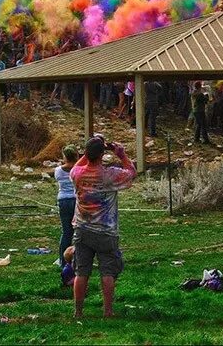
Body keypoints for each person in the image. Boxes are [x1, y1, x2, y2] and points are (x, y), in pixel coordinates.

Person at [71, 135, 137, 318]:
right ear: (102, 155)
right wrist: (121, 155)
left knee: (81, 271)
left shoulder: (77, 174)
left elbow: (77, 165)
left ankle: (78, 311)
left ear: (85, 153)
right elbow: (132, 173)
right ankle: (107, 311)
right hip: (105, 231)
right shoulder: (109, 175)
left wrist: (90, 148)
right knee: (107, 271)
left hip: (82, 228)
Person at [54, 146, 78, 265]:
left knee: (66, 231)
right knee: (78, 231)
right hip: (76, 200)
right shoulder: (78, 169)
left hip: (63, 200)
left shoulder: (58, 170)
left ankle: (63, 260)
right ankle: (78, 258)